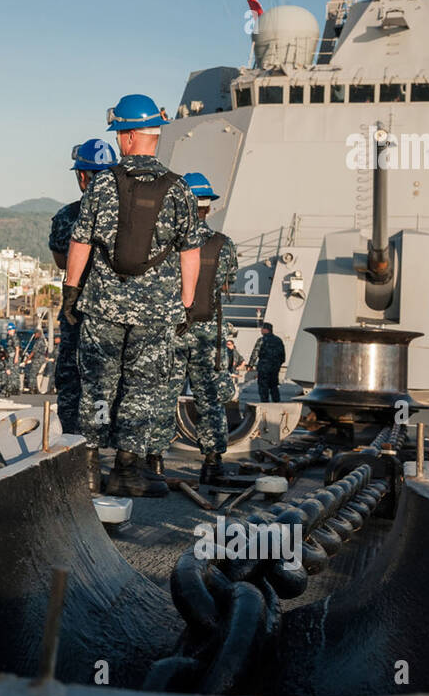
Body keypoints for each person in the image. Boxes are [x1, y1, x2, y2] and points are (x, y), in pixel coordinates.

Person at [64, 94, 204, 497]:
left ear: (126, 137)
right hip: (157, 312)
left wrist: (72, 292)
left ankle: (89, 467)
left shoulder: (103, 182)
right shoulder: (179, 190)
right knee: (142, 388)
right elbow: (190, 252)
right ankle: (128, 472)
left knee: (97, 385)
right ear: (154, 136)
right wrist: (187, 303)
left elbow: (81, 242)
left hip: (103, 307)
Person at [163, 172, 238, 485]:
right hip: (208, 332)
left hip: (172, 330)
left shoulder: (168, 244)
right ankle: (212, 462)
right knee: (209, 399)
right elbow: (226, 284)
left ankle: (153, 462)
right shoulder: (224, 245)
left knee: (163, 394)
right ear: (209, 207)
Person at [50, 138, 117, 433]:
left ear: (81, 176)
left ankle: (77, 445)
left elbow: (61, 261)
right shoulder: (129, 216)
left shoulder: (67, 216)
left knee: (71, 378)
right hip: (119, 312)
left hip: (78, 311)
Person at [247, 322, 286, 403]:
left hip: (263, 367)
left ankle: (265, 403)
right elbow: (283, 356)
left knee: (263, 386)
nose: (261, 330)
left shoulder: (261, 340)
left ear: (265, 329)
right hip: (275, 368)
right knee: (274, 386)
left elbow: (255, 353)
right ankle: (276, 403)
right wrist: (277, 364)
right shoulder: (278, 340)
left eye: (262, 328)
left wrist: (250, 364)